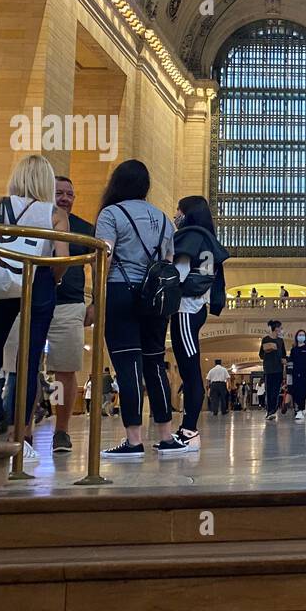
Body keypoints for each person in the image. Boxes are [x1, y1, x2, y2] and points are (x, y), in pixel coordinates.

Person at [0, 155, 69, 465]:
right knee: (29, 360)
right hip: (40, 282)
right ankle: (19, 439)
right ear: (46, 181)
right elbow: (62, 261)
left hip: (3, 282)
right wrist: (49, 281)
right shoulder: (55, 215)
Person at [94, 159, 176, 458]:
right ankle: (167, 436)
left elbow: (104, 256)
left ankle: (133, 439)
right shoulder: (165, 218)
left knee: (128, 366)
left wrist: (95, 298)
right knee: (155, 364)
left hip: (121, 290)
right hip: (155, 298)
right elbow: (168, 261)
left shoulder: (111, 214)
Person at [163, 195, 228, 454]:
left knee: (190, 371)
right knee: (188, 369)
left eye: (178, 210)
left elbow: (175, 275)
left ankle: (189, 431)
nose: (175, 214)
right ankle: (185, 430)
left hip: (186, 309)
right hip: (194, 310)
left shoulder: (190, 236)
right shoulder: (206, 237)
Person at [47, 175, 96, 455]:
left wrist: (96, 303)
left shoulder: (83, 229)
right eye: (59, 193)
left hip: (69, 306)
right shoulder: (35, 220)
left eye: (69, 194)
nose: (65, 198)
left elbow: (102, 264)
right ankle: (23, 431)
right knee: (24, 368)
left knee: (64, 370)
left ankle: (61, 431)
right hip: (33, 303)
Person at [258, 321, 287, 422]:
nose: (281, 329)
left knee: (276, 391)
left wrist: (285, 361)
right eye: (280, 328)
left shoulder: (280, 341)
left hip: (278, 369)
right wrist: (268, 351)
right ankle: (269, 411)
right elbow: (261, 355)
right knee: (269, 391)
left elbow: (283, 355)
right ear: (276, 328)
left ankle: (273, 410)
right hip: (269, 369)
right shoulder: (266, 339)